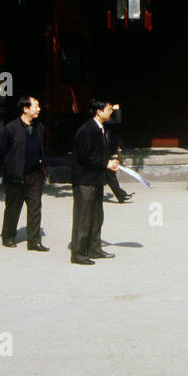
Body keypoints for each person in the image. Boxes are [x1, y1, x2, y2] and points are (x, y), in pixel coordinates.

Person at [0, 95, 48, 251]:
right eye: (35, 106)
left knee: (35, 208)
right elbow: (0, 151)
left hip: (35, 174)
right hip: (16, 175)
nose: (38, 109)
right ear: (25, 109)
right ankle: (8, 236)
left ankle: (34, 241)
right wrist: (9, 168)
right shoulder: (10, 128)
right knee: (13, 207)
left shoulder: (39, 127)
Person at [70, 100, 120, 264]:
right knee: (83, 218)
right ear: (98, 111)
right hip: (85, 180)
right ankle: (78, 253)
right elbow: (86, 156)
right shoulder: (87, 130)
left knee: (97, 217)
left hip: (96, 179)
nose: (111, 112)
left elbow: (99, 153)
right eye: (108, 109)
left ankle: (94, 248)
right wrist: (105, 164)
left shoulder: (100, 128)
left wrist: (110, 161)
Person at [104, 103, 133, 203]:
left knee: (109, 174)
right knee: (109, 174)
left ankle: (121, 195)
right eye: (108, 110)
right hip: (104, 150)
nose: (110, 111)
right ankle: (120, 195)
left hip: (108, 148)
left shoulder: (106, 121)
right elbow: (117, 121)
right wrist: (116, 110)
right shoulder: (102, 120)